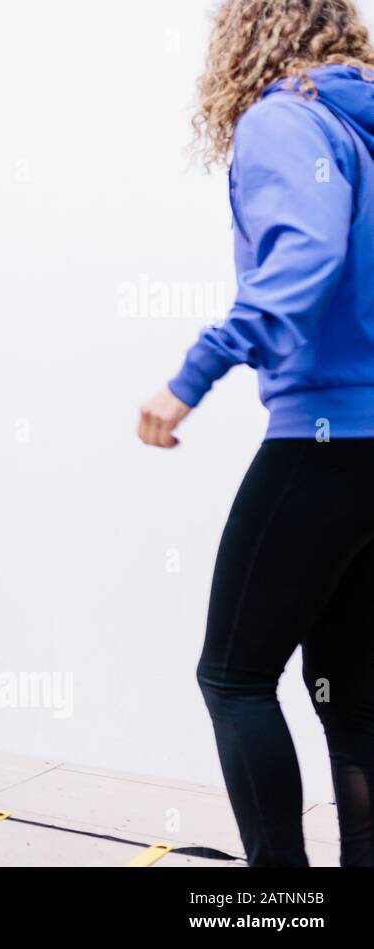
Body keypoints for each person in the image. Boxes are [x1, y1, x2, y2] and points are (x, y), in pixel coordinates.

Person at [138, 0, 374, 866]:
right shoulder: (364, 127)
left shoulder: (286, 118)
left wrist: (191, 377)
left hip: (325, 441)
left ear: (249, 30)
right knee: (353, 698)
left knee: (233, 676)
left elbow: (305, 255)